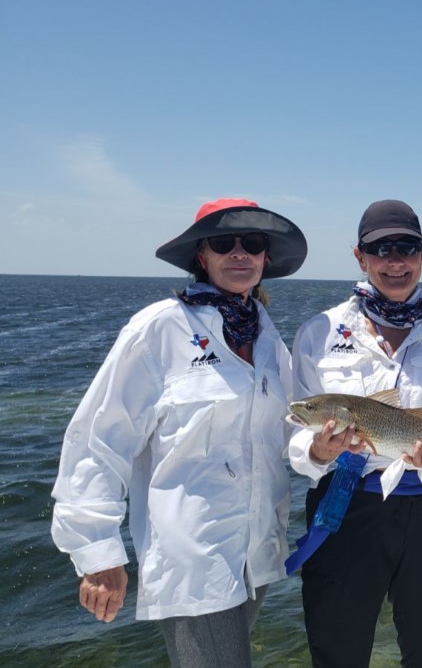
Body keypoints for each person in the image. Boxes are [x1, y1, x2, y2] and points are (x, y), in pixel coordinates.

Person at [51, 198, 308, 667]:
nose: (240, 253)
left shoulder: (268, 338)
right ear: (201, 256)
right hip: (195, 555)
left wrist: (327, 447)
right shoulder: (159, 328)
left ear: (265, 257)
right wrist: (97, 550)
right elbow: (100, 438)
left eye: (252, 243)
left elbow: (289, 432)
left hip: (257, 553)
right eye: (223, 243)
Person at [288, 199, 422, 668]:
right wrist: (317, 450)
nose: (395, 261)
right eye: (381, 249)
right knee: (338, 650)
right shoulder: (318, 332)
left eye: (407, 249)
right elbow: (291, 433)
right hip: (345, 505)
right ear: (360, 257)